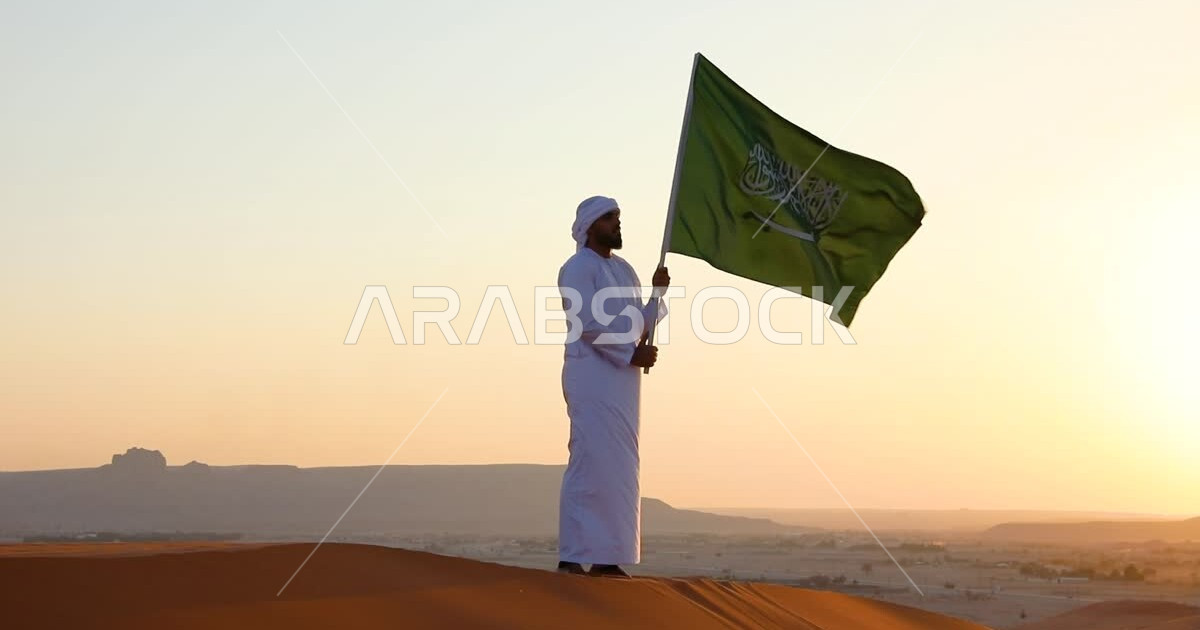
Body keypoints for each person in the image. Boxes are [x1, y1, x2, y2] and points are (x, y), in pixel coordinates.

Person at [556, 195, 669, 578]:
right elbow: (586, 322)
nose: (617, 223)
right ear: (589, 225)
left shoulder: (625, 270)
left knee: (620, 466)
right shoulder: (577, 268)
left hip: (623, 382)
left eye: (618, 217)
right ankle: (571, 555)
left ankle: (607, 558)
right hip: (591, 374)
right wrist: (628, 353)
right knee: (588, 459)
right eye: (609, 218)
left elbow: (639, 322)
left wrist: (657, 293)